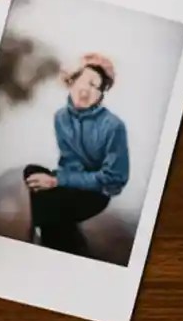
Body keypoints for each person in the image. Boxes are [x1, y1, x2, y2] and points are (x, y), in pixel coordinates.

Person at [24, 53, 129, 257]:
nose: (87, 90)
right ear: (71, 81)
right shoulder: (61, 118)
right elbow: (69, 162)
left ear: (101, 95)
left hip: (96, 193)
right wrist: (58, 180)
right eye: (85, 81)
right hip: (70, 185)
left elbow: (114, 179)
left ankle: (40, 237)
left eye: (96, 87)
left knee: (51, 212)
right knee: (32, 172)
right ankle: (62, 243)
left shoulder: (113, 126)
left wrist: (57, 181)